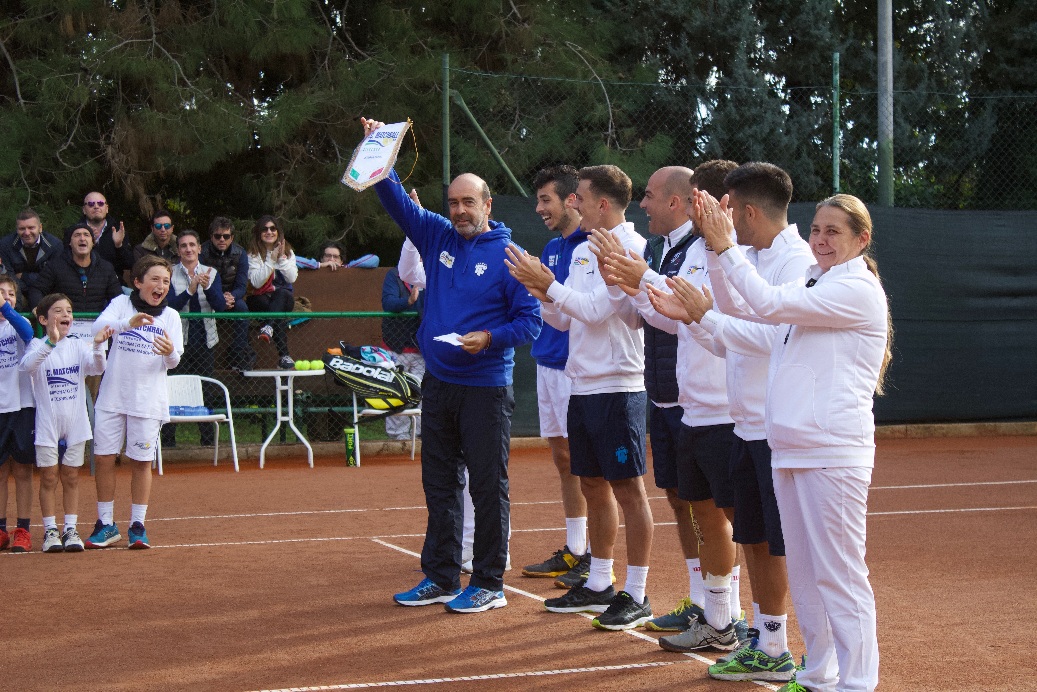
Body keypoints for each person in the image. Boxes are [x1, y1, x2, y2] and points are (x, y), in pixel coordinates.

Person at [651, 191, 891, 692]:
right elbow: (765, 336)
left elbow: (765, 302)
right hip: (791, 449)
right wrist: (701, 316)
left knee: (841, 574)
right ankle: (820, 672)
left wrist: (723, 246)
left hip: (833, 453)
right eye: (817, 230)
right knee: (804, 572)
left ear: (861, 240)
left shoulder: (857, 289)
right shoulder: (815, 282)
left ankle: (859, 683)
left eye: (834, 232)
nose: (821, 241)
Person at [362, 116, 541, 615]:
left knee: (487, 487)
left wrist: (488, 338)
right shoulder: (437, 236)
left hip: (485, 389)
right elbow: (394, 199)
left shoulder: (510, 256)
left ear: (488, 205)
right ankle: (440, 576)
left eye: (469, 202)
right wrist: (381, 148)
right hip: (438, 384)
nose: (460, 211)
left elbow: (531, 324)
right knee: (438, 483)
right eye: (453, 203)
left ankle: (488, 582)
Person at [671, 162, 814, 681]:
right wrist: (697, 312)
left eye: (726, 210)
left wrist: (708, 311)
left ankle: (804, 655)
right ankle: (769, 644)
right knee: (753, 538)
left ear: (746, 210)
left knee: (783, 546)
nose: (720, 220)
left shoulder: (794, 261)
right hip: (744, 424)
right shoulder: (747, 256)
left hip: (776, 427)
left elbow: (773, 338)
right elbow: (727, 329)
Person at [506, 164, 655, 631]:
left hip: (618, 386)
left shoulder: (630, 248)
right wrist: (541, 291)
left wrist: (548, 285)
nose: (574, 204)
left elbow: (595, 310)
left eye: (581, 198)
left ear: (603, 204)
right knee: (591, 482)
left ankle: (637, 592)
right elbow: (567, 320)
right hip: (583, 383)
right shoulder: (586, 247)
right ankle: (598, 582)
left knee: (629, 490)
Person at [601, 163, 743, 641]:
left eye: (650, 195)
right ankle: (706, 604)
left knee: (731, 516)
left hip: (714, 405)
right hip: (674, 397)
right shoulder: (672, 250)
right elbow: (668, 318)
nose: (643, 204)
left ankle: (733, 616)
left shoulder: (716, 252)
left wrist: (641, 279)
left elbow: (704, 315)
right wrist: (632, 284)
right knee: (687, 503)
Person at [518, 165, 593, 589]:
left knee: (586, 465)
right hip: (546, 362)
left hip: (577, 369)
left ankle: (595, 559)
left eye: (546, 199)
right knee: (564, 461)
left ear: (571, 200)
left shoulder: (593, 245)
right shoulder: (549, 248)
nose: (540, 208)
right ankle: (575, 548)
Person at [86, 255, 184, 549]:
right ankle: (105, 524)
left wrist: (168, 352)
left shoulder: (171, 317)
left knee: (141, 462)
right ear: (138, 282)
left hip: (148, 401)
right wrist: (126, 323)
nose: (161, 286)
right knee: (103, 458)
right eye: (155, 279)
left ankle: (137, 526)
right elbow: (97, 329)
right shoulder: (121, 303)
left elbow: (175, 360)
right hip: (113, 396)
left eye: (166, 281)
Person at [20, 293, 113, 552]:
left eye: (69, 311)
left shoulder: (78, 345)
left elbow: (97, 368)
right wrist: (50, 342)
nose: (66, 316)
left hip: (76, 422)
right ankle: (50, 531)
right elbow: (27, 366)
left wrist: (97, 346)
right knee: (48, 478)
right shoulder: (37, 346)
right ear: (43, 318)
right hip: (47, 422)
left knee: (71, 477)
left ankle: (70, 528)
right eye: (59, 311)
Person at [164, 230, 226, 447]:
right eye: (183, 246)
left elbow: (220, 305)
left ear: (200, 248)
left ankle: (208, 443)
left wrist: (207, 287)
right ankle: (168, 443)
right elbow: (170, 306)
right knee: (172, 389)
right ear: (178, 250)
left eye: (192, 245)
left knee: (205, 391)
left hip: (205, 339)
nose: (188, 249)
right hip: (178, 342)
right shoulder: (169, 273)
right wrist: (190, 290)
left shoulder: (212, 272)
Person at [0, 276, 35, 552]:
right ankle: (0, 530)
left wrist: (6, 308)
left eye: (10, 293)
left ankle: (23, 529)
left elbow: (27, 332)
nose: (6, 297)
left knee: (23, 469)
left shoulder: (19, 323)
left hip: (22, 405)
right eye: (0, 293)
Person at [200, 216, 254, 371]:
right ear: (211, 237)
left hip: (231, 296)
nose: (221, 240)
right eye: (217, 236)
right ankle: (202, 356)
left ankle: (237, 353)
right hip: (208, 296)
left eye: (226, 236)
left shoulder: (240, 253)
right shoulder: (202, 252)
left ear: (232, 238)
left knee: (242, 309)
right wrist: (218, 297)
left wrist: (231, 296)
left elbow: (242, 285)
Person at [34, 223, 123, 315]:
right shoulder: (55, 266)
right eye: (77, 235)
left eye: (86, 235)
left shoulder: (106, 268)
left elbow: (118, 298)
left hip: (97, 324)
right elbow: (37, 289)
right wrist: (38, 308)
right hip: (64, 323)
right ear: (70, 242)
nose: (82, 238)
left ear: (93, 242)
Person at [245, 215, 297, 370]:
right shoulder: (253, 254)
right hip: (260, 299)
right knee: (274, 313)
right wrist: (270, 261)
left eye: (272, 228)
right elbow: (256, 282)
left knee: (282, 294)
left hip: (282, 298)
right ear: (259, 233)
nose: (269, 232)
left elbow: (292, 278)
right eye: (264, 229)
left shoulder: (288, 252)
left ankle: (268, 326)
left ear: (278, 232)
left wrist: (280, 258)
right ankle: (284, 356)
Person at [381, 260, 424, 440]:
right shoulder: (394, 275)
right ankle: (397, 438)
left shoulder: (432, 275)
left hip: (422, 350)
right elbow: (388, 303)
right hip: (396, 349)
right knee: (396, 393)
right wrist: (409, 301)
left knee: (421, 394)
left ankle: (418, 435)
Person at [0, 208, 62, 307]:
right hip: (16, 293)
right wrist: (28, 289)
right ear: (17, 229)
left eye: (31, 228)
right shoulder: (5, 245)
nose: (27, 233)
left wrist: (24, 276)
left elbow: (54, 278)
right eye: (22, 229)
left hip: (46, 294)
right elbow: (8, 277)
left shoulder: (55, 245)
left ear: (40, 228)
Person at [70, 192, 134, 284]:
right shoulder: (73, 232)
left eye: (100, 203)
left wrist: (119, 246)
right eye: (91, 204)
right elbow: (67, 262)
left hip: (113, 284)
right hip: (82, 284)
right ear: (84, 210)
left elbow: (129, 264)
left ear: (107, 208)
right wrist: (91, 244)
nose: (96, 207)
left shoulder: (117, 230)